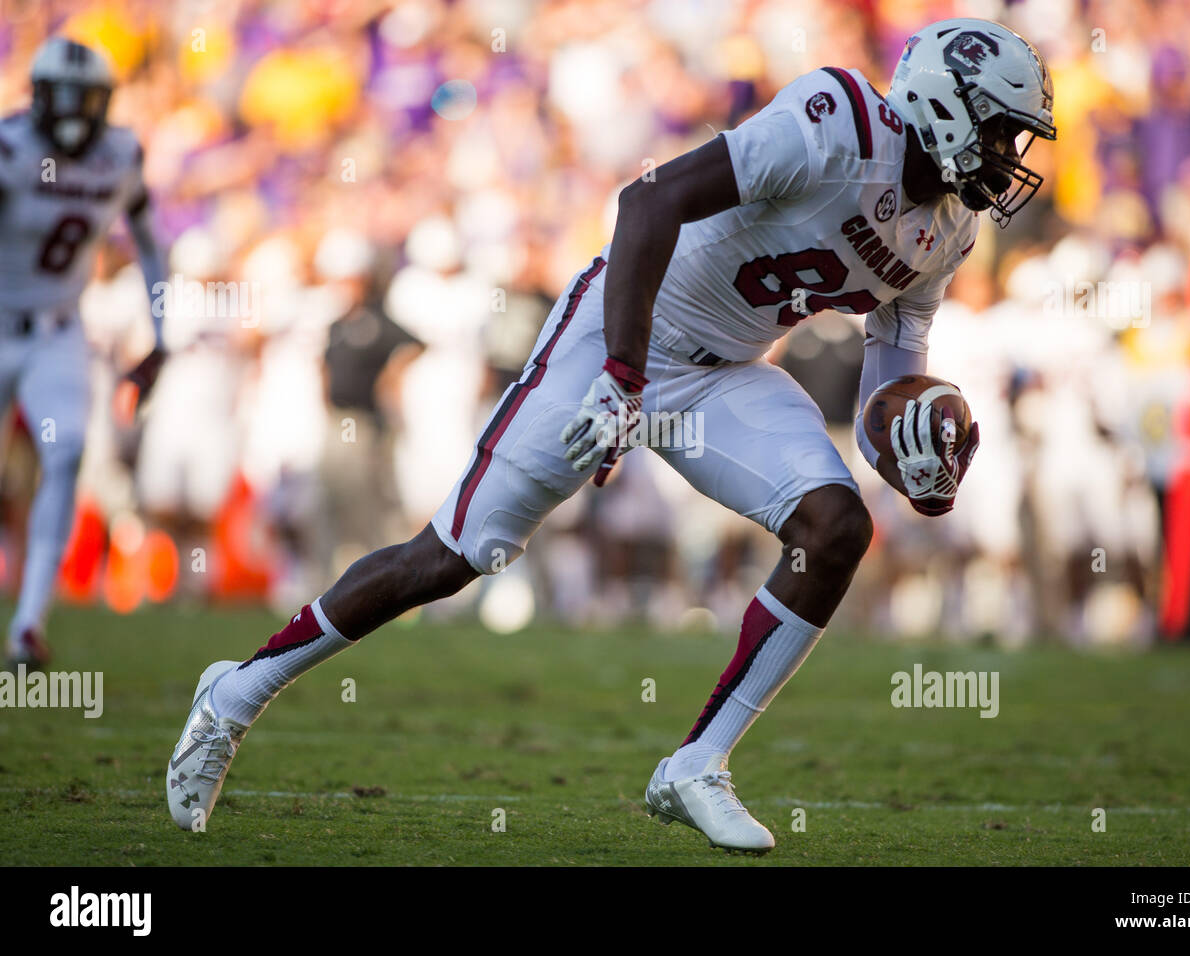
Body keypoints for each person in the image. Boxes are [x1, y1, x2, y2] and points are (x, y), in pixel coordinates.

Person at [166, 17, 1055, 853]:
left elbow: (886, 383)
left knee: (838, 527)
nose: (1010, 160)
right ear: (946, 105)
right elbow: (646, 204)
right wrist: (623, 373)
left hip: (724, 373)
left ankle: (697, 763)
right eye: (1003, 133)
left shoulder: (951, 230)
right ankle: (236, 693)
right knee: (454, 554)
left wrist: (914, 453)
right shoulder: (834, 122)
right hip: (620, 331)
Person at [1, 37, 167, 670]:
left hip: (60, 330)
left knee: (66, 451)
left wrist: (163, 335)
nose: (74, 109)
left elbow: (152, 245)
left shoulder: (121, 153)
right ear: (37, 96)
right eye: (62, 94)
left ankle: (27, 624)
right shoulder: (10, 148)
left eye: (87, 96)